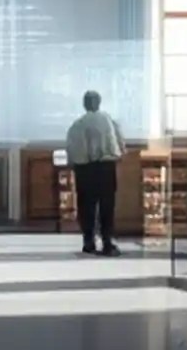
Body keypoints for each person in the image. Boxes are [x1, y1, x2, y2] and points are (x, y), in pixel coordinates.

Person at [65, 90, 125, 256]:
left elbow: (71, 150)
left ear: (84, 104)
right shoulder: (109, 121)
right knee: (107, 206)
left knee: (86, 206)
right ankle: (107, 241)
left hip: (84, 169)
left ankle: (88, 241)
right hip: (106, 167)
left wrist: (75, 164)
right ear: (99, 102)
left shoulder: (77, 125)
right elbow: (120, 145)